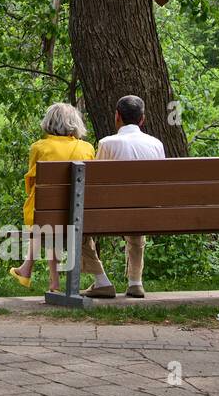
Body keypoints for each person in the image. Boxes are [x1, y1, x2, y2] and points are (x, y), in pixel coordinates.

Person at [80, 95, 166, 299]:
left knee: (77, 225)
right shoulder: (156, 144)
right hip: (150, 215)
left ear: (117, 116)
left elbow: (96, 185)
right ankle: (135, 282)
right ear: (142, 119)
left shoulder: (107, 143)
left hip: (113, 214)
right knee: (137, 212)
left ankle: (102, 281)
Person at [10, 102, 95, 293]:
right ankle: (46, 278)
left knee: (46, 217)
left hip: (47, 212)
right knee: (51, 219)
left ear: (49, 122)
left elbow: (31, 183)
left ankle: (45, 277)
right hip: (79, 211)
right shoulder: (87, 148)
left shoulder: (39, 147)